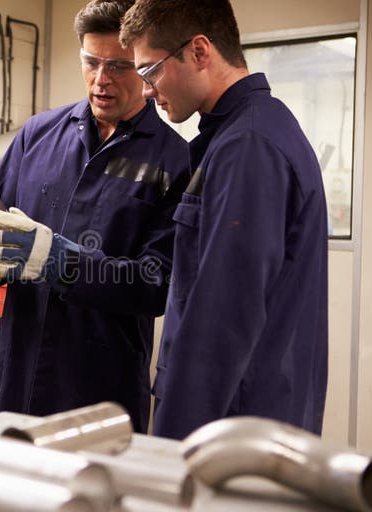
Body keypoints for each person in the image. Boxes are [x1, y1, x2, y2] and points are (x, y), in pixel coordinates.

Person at [0, 0, 190, 433]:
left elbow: (157, 286)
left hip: (99, 387)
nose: (101, 80)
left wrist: (60, 262)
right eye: (91, 62)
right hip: (17, 376)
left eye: (120, 67)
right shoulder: (37, 135)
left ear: (144, 71)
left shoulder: (173, 162)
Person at [119, 0, 329, 439]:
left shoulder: (248, 146)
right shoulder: (242, 135)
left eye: (149, 72)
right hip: (243, 417)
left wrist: (172, 452)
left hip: (233, 427)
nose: (146, 91)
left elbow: (222, 319)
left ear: (199, 51)